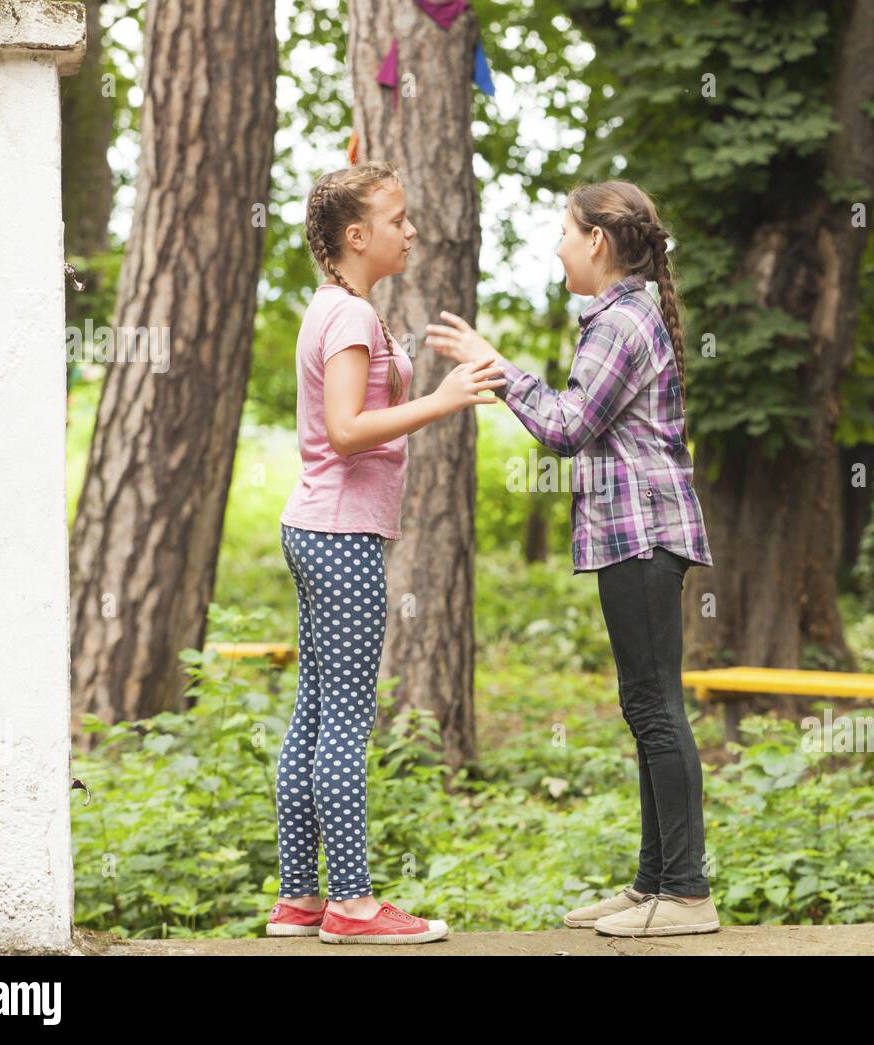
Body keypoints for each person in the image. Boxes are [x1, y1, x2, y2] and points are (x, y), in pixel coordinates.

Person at [425, 179, 719, 938]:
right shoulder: (618, 316)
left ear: (596, 241)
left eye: (563, 232)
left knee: (656, 707)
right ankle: (654, 881)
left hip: (646, 535)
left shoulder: (622, 323)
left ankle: (686, 892)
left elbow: (566, 425)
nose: (556, 247)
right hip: (634, 536)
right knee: (644, 703)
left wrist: (494, 365)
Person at [266, 160, 505, 944]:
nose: (411, 230)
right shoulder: (351, 320)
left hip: (319, 527)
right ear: (357, 236)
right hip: (341, 535)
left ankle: (299, 899)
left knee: (312, 716)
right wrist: (439, 400)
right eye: (397, 219)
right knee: (344, 718)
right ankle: (354, 905)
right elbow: (344, 429)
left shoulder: (339, 306)